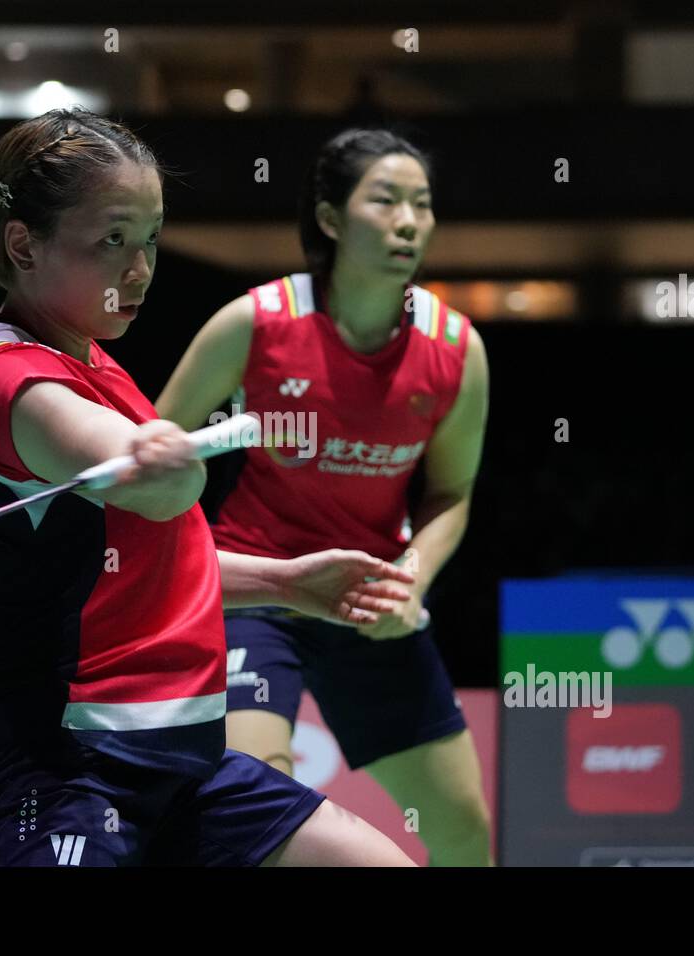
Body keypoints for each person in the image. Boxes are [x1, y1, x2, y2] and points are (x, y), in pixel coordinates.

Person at [0, 109, 418, 866]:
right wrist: (152, 457)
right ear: (22, 243)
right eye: (113, 240)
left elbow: (138, 561)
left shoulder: (90, 362)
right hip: (57, 772)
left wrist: (287, 584)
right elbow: (141, 481)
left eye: (151, 238)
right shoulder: (8, 380)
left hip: (181, 770)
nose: (141, 268)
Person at [156, 128, 493, 865]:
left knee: (464, 830)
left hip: (369, 600)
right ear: (332, 219)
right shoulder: (258, 323)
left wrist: (412, 579)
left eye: (422, 205)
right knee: (258, 805)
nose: (409, 221)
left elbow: (452, 492)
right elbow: (152, 455)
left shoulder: (455, 350)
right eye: (386, 201)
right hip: (258, 593)